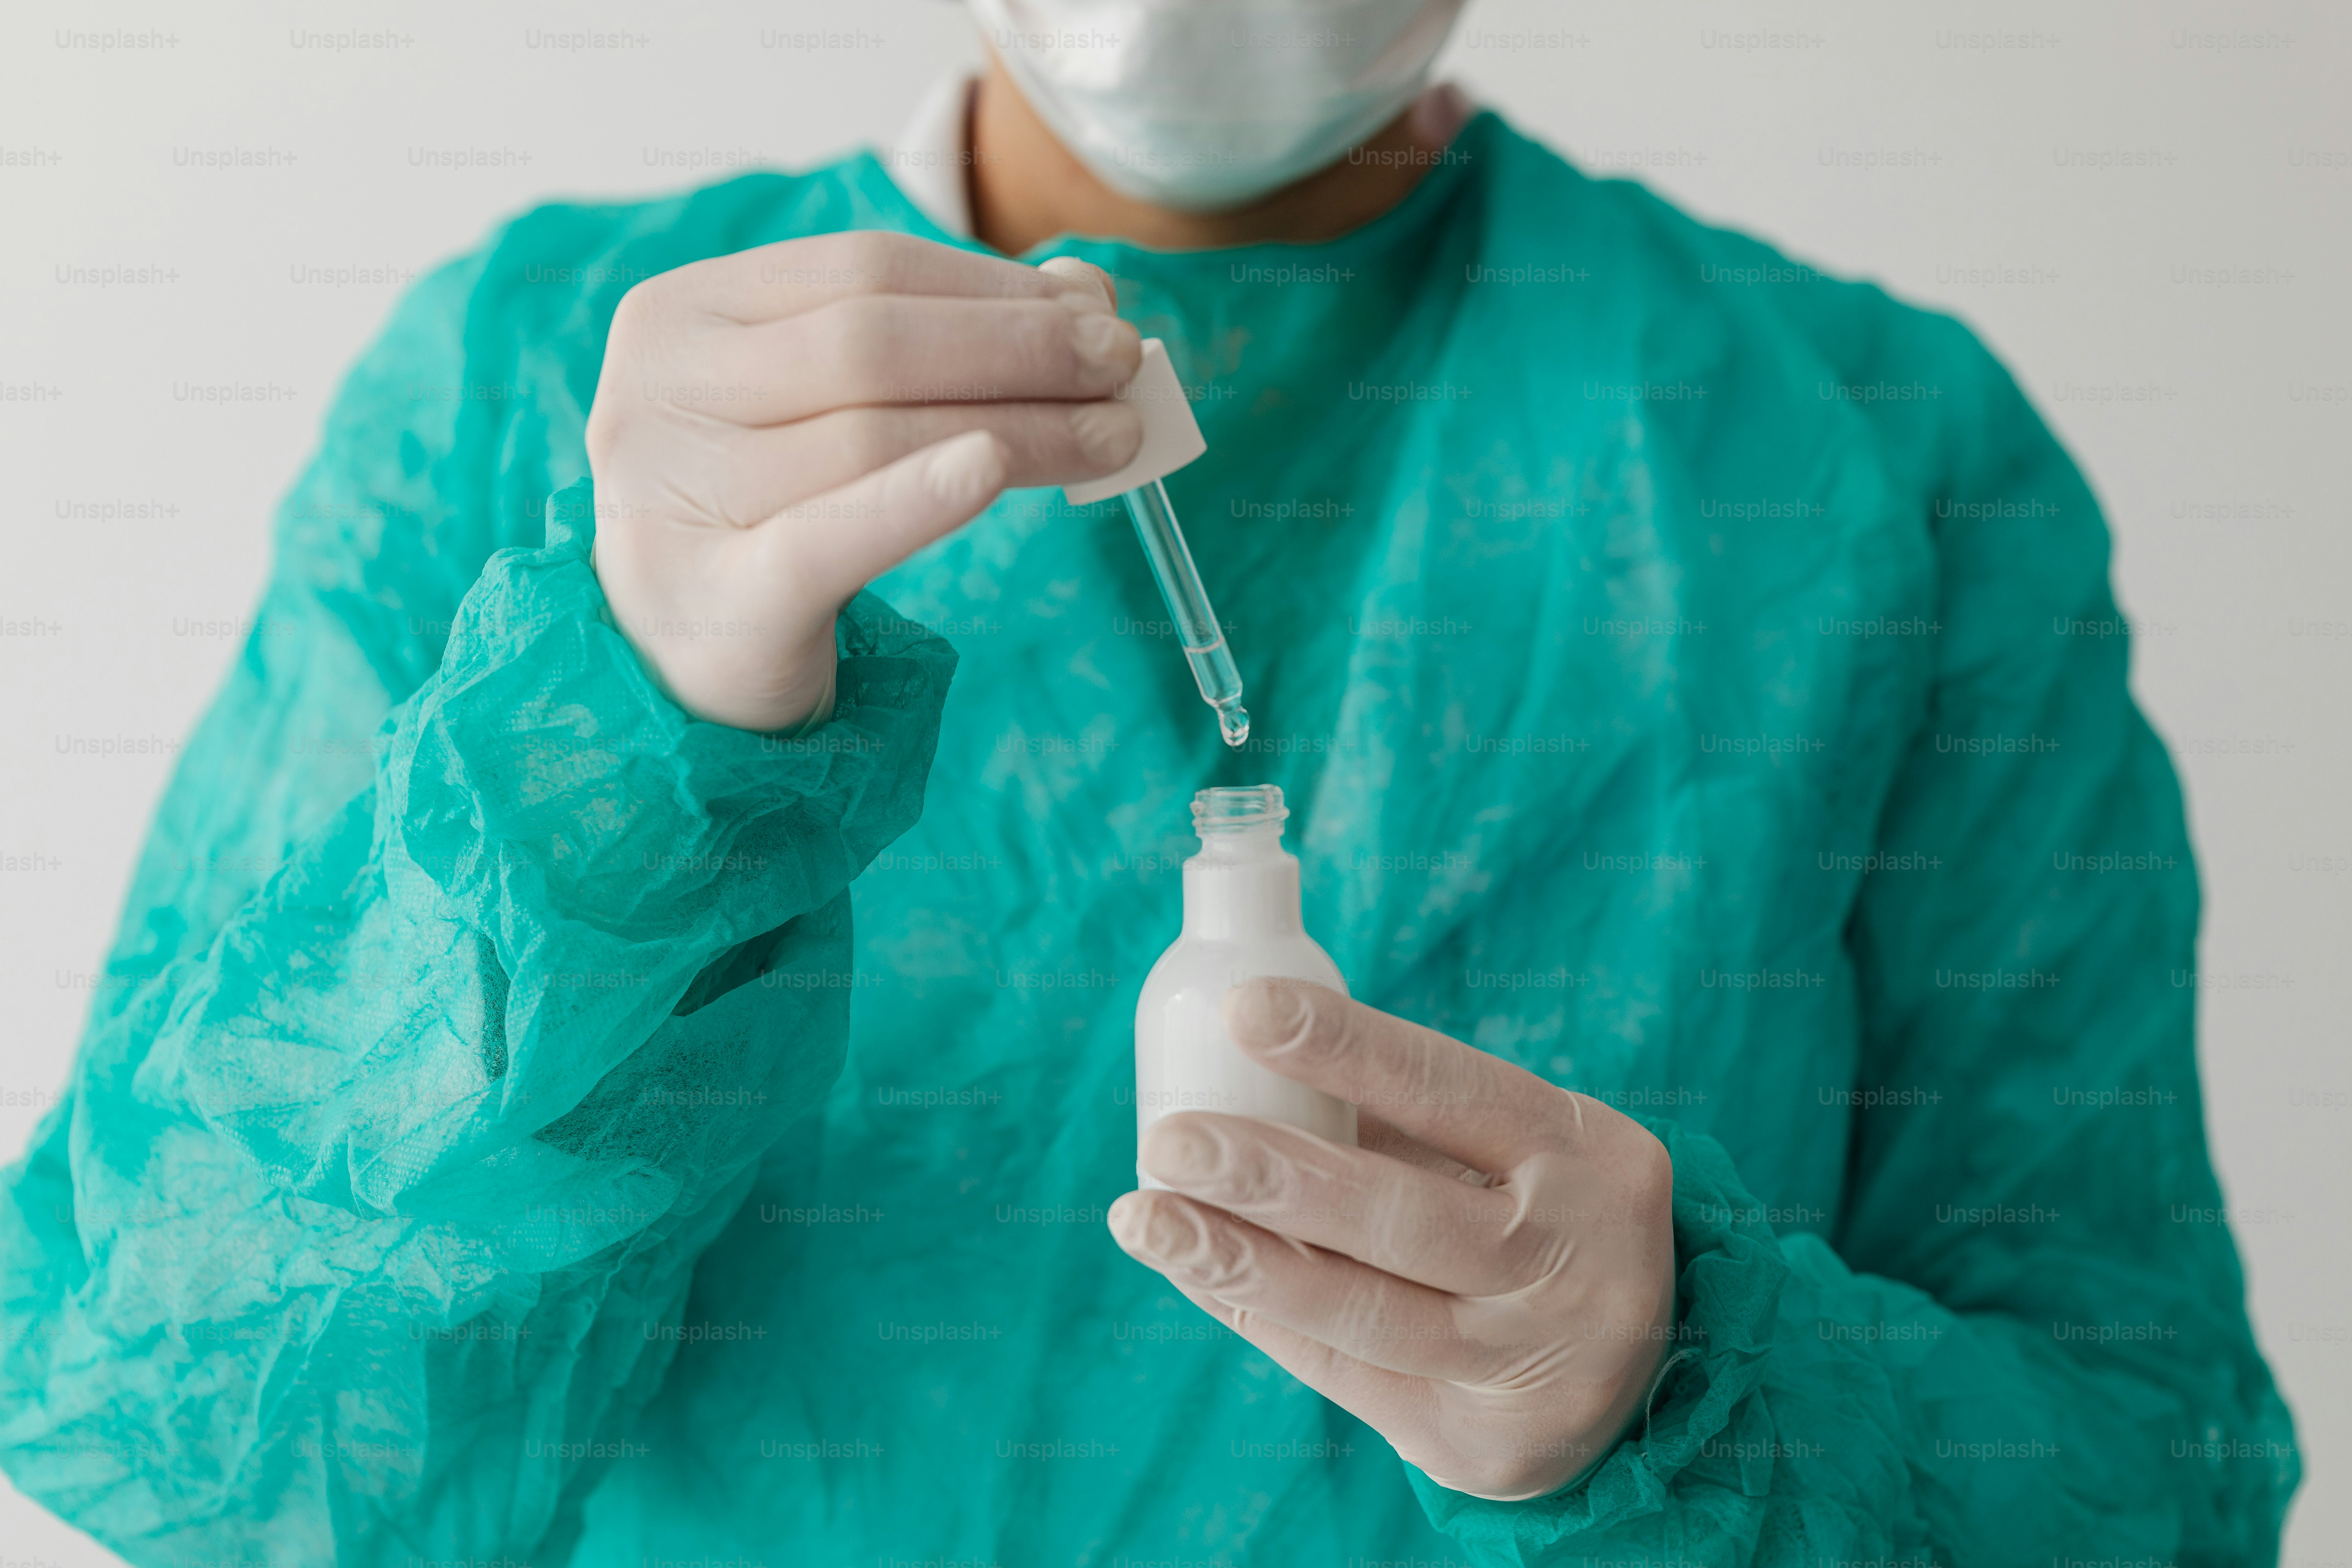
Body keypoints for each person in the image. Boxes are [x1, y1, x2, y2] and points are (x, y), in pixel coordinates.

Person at [0, 2, 2299, 1563]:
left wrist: (1683, 1381)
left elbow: (2157, 1472)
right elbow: (186, 1423)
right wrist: (620, 729)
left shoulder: (1864, 461)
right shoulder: (533, 385)